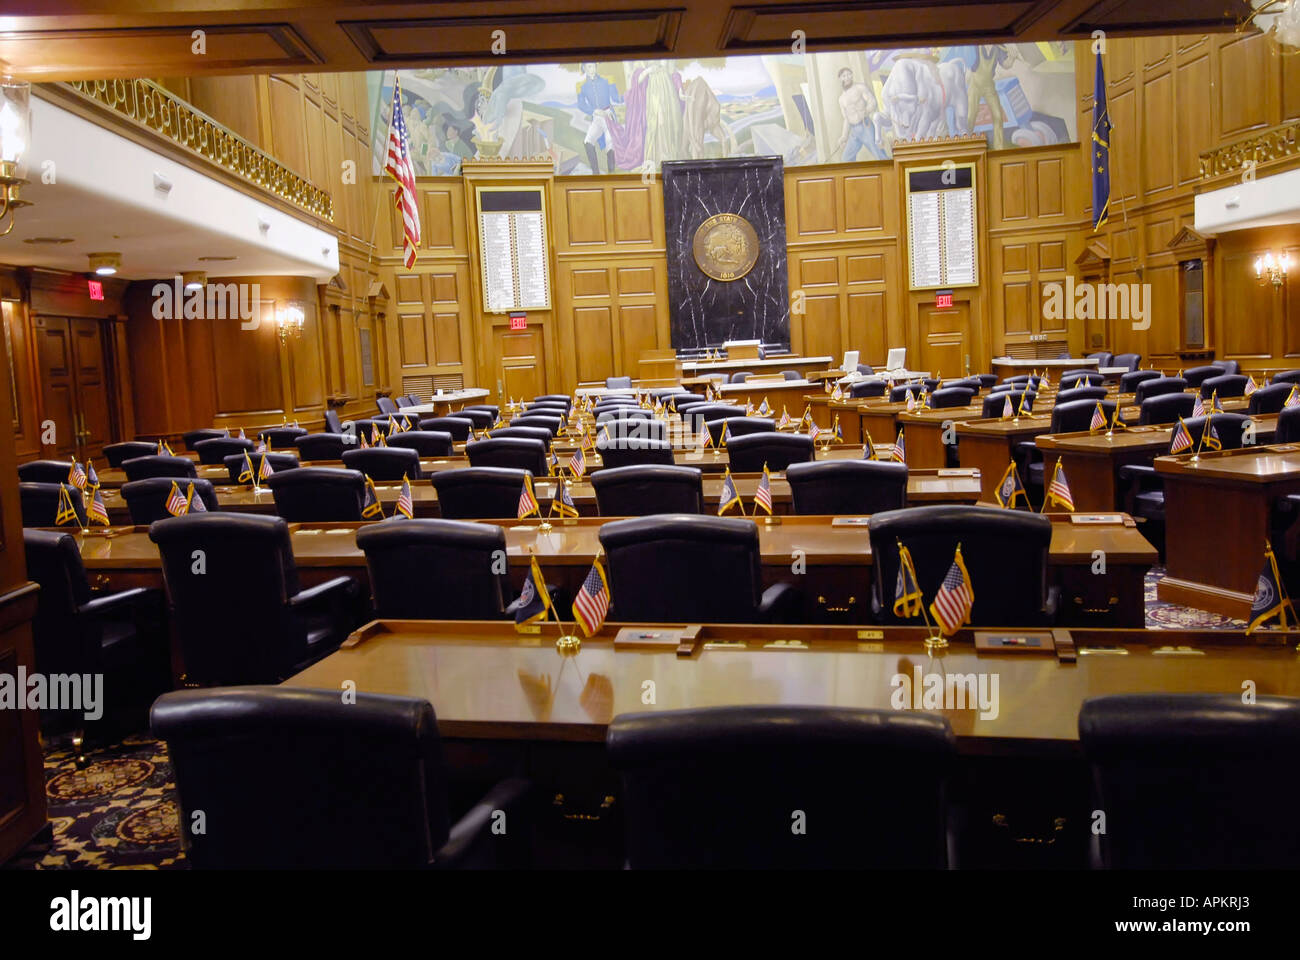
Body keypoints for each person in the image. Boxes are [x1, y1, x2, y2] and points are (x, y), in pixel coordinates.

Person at [577, 62, 623, 173]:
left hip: (608, 116)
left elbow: (616, 98)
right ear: (584, 68)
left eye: (594, 66)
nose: (592, 69)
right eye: (589, 66)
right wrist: (594, 111)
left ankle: (611, 174)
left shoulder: (607, 80)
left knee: (610, 143)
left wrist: (628, 96)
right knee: (588, 141)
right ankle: (596, 173)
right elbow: (581, 104)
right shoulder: (581, 85)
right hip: (596, 117)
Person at [833, 67, 884, 161]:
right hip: (854, 131)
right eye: (844, 75)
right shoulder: (841, 99)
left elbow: (872, 101)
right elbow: (846, 119)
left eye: (849, 74)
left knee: (879, 155)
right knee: (846, 159)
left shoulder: (860, 87)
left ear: (852, 75)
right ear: (841, 78)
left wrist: (867, 111)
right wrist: (844, 136)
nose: (847, 77)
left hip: (865, 126)